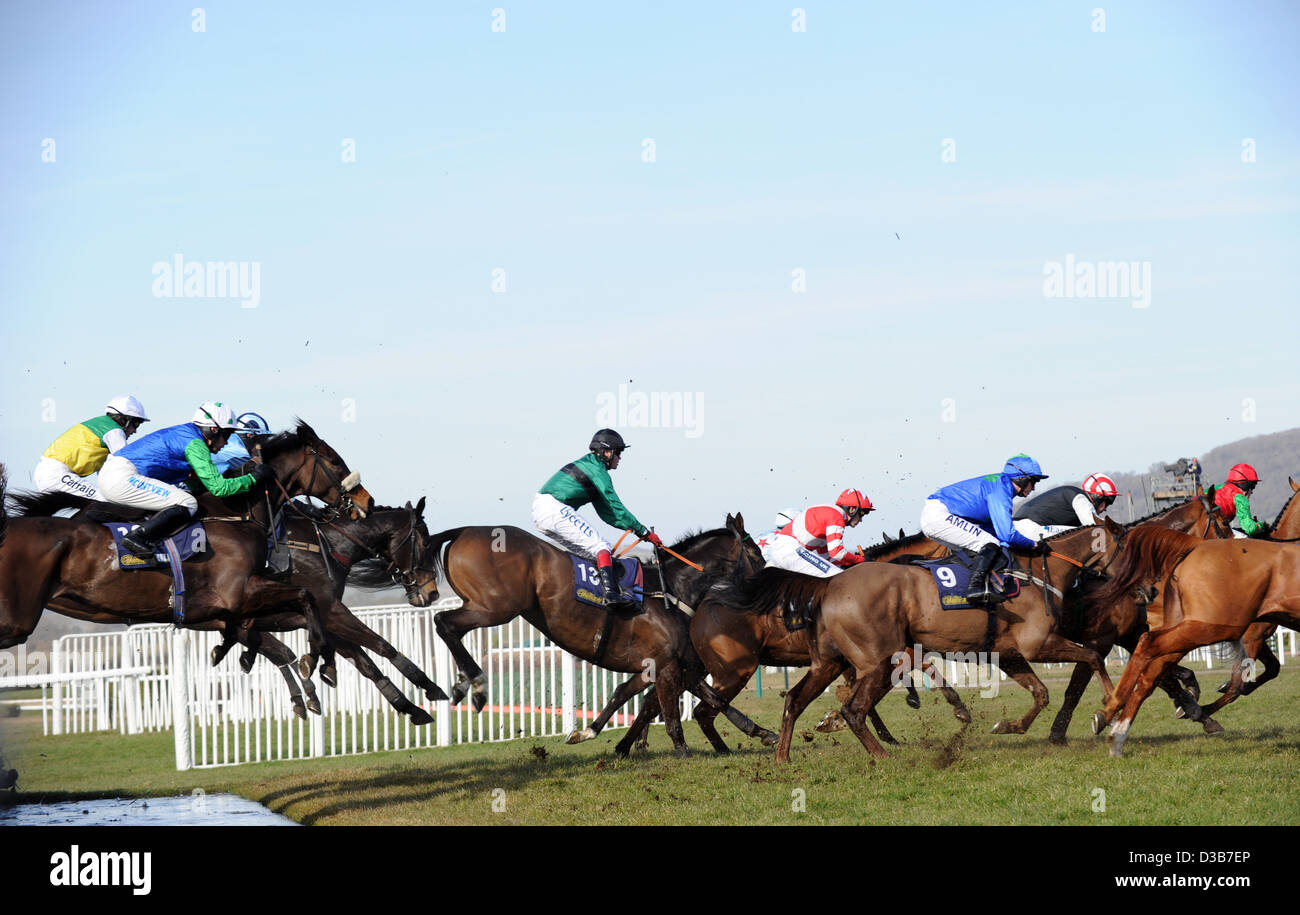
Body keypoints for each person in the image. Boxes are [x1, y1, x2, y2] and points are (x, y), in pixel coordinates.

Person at [99, 402, 270, 556]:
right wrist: (254, 478)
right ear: (213, 430)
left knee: (183, 495)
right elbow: (219, 488)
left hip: (116, 474)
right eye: (228, 434)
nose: (226, 442)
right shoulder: (195, 443)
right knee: (188, 503)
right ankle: (138, 537)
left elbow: (192, 483)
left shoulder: (188, 434)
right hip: (122, 477)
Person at [533, 429, 661, 613]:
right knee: (601, 547)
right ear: (606, 452)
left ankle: (588, 598)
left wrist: (636, 530)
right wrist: (643, 531)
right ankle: (611, 595)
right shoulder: (598, 472)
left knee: (591, 556)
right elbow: (616, 506)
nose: (619, 458)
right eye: (618, 453)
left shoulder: (591, 468)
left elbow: (609, 513)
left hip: (543, 512)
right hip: (553, 508)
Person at [920, 454, 1049, 604]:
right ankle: (974, 588)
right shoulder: (1001, 490)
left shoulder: (1000, 485)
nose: (1033, 487)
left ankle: (961, 593)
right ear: (1022, 478)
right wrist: (1033, 544)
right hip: (939, 516)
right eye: (1033, 481)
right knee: (990, 543)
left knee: (984, 548)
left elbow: (992, 529)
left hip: (936, 516)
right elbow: (1007, 534)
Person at [33, 395, 149, 500]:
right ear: (124, 420)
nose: (135, 431)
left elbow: (108, 473)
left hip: (49, 473)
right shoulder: (113, 431)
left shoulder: (100, 425)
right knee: (107, 502)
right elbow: (127, 464)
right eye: (136, 424)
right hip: (57, 475)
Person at [764, 489, 873, 577]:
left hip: (781, 550)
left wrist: (850, 563)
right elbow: (837, 553)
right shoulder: (837, 516)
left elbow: (826, 556)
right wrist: (861, 560)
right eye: (862, 513)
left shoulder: (829, 512)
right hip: (791, 551)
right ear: (852, 509)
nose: (861, 519)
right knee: (838, 579)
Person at [1013, 472, 1118, 541]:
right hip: (1031, 527)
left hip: (1023, 526)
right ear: (1098, 496)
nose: (1105, 509)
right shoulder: (1081, 498)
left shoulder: (1074, 494)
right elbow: (1095, 525)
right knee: (1082, 537)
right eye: (1108, 502)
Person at [1213, 463, 1269, 538]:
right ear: (1246, 486)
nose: (1252, 491)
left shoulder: (1218, 487)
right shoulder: (1240, 498)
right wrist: (1262, 526)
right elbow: (1249, 528)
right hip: (1213, 531)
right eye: (1253, 487)